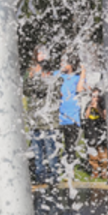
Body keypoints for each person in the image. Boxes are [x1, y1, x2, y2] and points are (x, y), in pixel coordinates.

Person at [23, 54, 60, 188]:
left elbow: (41, 89)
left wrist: (35, 77)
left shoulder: (54, 80)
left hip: (49, 124)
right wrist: (30, 78)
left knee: (51, 153)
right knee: (38, 154)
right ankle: (41, 176)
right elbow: (26, 91)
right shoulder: (36, 81)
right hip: (36, 124)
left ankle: (54, 176)